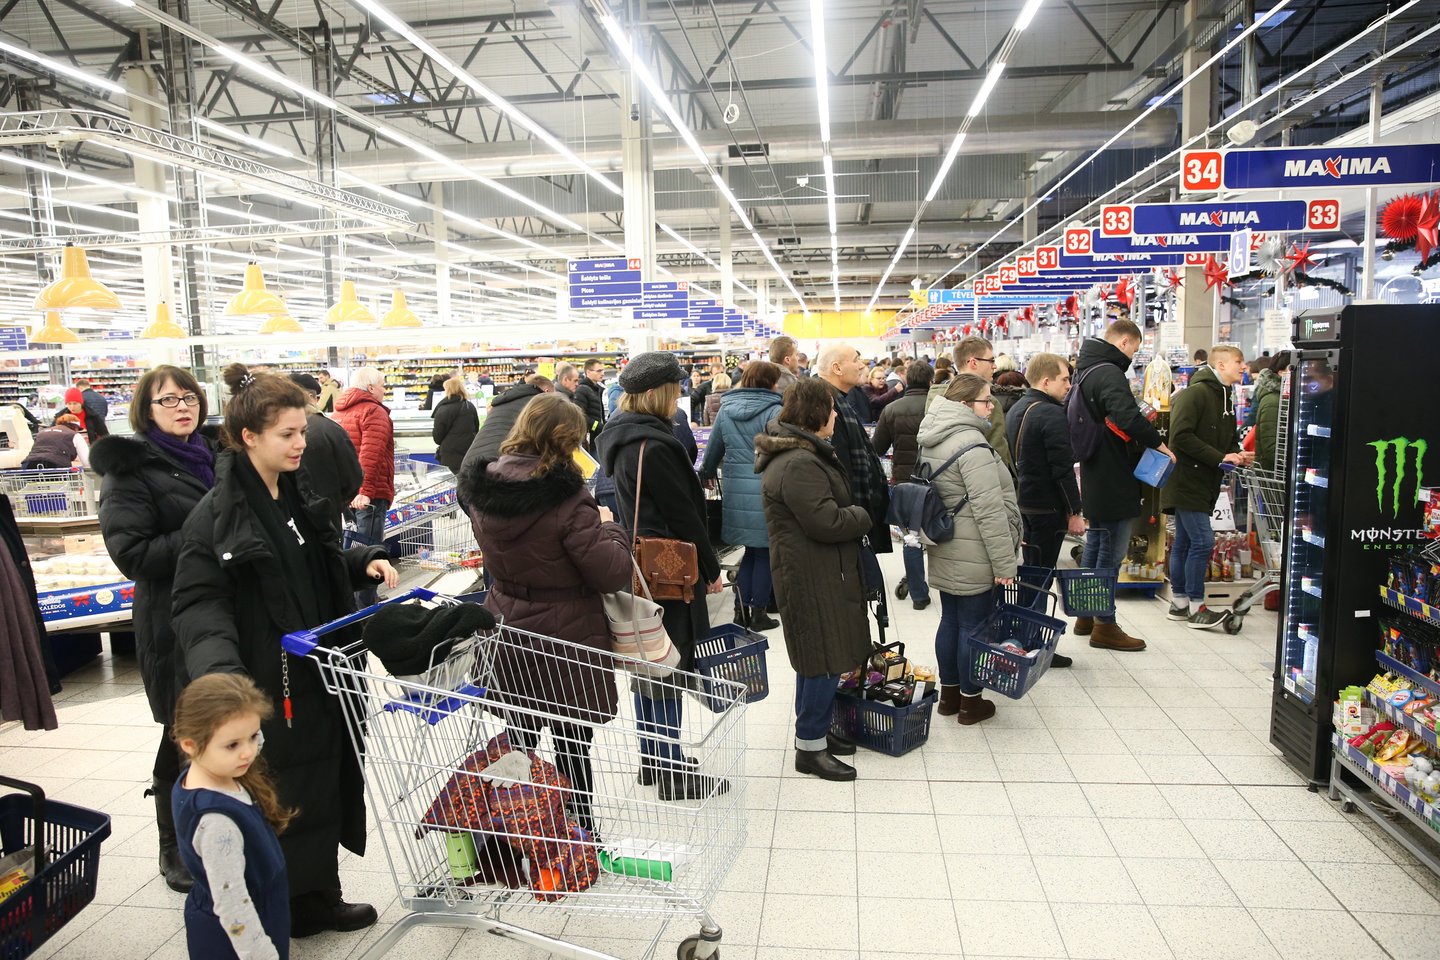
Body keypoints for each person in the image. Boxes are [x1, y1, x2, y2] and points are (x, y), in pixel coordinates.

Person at [172, 364, 398, 939]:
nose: (302, 443)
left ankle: (319, 894)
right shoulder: (219, 518)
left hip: (316, 667)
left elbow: (315, 554)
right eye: (288, 435)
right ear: (249, 437)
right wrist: (223, 682)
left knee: (322, 779)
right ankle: (286, 902)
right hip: (265, 680)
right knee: (281, 788)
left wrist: (357, 559)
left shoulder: (291, 495)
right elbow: (200, 605)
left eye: (303, 431)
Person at [460, 394, 631, 834]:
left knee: (519, 736)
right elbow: (610, 572)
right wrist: (611, 526)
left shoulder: (484, 489)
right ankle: (577, 831)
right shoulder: (569, 501)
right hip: (566, 633)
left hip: (506, 625)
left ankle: (519, 825)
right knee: (573, 739)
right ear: (564, 441)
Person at [91, 364, 217, 894]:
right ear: (146, 410)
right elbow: (133, 555)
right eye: (168, 400)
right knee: (183, 734)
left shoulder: (218, 455)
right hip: (170, 622)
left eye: (189, 396)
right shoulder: (131, 471)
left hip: (225, 613)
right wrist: (204, 531)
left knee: (225, 727)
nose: (182, 406)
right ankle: (174, 846)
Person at [596, 352, 726, 802]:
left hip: (638, 566)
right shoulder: (655, 445)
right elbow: (685, 516)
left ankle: (653, 760)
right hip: (668, 569)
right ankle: (672, 771)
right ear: (653, 394)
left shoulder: (618, 437)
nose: (679, 401)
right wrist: (711, 568)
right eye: (674, 392)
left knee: (648, 663)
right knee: (669, 664)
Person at [755, 379, 871, 781]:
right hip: (811, 572)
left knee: (819, 657)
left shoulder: (802, 453)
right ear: (815, 414)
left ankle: (815, 733)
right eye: (832, 409)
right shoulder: (799, 462)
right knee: (821, 659)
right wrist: (861, 514)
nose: (837, 415)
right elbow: (825, 521)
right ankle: (810, 748)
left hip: (817, 568)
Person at [917, 373, 1021, 725]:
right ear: (965, 405)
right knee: (974, 627)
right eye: (985, 401)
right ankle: (970, 702)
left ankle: (948, 697)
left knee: (950, 619)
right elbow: (989, 512)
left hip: (945, 541)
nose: (991, 407)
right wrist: (1005, 564)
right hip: (976, 548)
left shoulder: (932, 436)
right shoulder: (972, 445)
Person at [172, 673, 292, 960]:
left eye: (252, 736)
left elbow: (243, 738)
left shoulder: (208, 770)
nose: (248, 752)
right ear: (190, 744)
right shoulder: (216, 823)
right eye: (233, 745)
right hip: (235, 937)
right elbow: (233, 907)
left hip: (254, 910)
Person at [1074, 319, 1174, 651]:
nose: (1134, 355)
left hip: (1095, 471)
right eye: (1135, 348)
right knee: (1111, 552)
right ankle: (1105, 624)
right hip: (1113, 473)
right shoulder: (1109, 372)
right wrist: (1157, 444)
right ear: (1126, 342)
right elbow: (1127, 417)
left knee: (1095, 543)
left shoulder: (1086, 370)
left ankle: (1085, 614)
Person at [1164, 345, 1252, 629]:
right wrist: (1219, 457)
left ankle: (1179, 604)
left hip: (1204, 481)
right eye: (1239, 362)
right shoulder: (1197, 393)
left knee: (1185, 543)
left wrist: (1236, 453)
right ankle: (1195, 607)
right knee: (1202, 542)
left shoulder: (1225, 395)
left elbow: (1222, 437)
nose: (1243, 367)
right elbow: (1180, 437)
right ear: (1222, 364)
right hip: (1187, 480)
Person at [1005, 354, 1082, 667]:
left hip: (1022, 503)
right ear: (1046, 381)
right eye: (1064, 379)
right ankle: (1034, 644)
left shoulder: (1016, 409)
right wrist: (1075, 510)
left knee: (1029, 576)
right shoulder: (1051, 413)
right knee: (1041, 578)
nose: (1069, 385)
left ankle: (1022, 637)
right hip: (1046, 507)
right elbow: (1062, 469)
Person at [699, 361, 784, 630]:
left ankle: (740, 609)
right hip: (766, 490)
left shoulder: (725, 410)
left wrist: (708, 472)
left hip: (737, 492)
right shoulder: (775, 411)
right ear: (770, 383)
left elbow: (713, 450)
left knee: (749, 551)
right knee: (765, 553)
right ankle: (757, 612)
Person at [816, 343, 892, 557]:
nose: (861, 365)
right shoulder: (824, 402)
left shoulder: (839, 398)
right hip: (845, 516)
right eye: (856, 360)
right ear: (837, 368)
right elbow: (837, 462)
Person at [871, 361, 935, 609]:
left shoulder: (892, 409)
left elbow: (877, 448)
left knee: (911, 537)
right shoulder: (939, 409)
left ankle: (919, 594)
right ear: (931, 382)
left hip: (905, 481)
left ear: (907, 381)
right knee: (941, 531)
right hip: (936, 479)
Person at [333, 366, 395, 604]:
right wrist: (366, 491)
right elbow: (372, 455)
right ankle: (366, 610)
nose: (384, 390)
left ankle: (356, 601)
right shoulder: (374, 412)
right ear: (371, 388)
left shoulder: (341, 412)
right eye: (382, 385)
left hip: (347, 494)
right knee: (370, 551)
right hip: (368, 495)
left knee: (353, 547)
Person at [288, 374, 363, 532]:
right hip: (328, 520)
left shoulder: (271, 431)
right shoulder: (330, 429)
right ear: (311, 396)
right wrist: (335, 503)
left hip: (290, 524)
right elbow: (353, 478)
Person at [930, 337, 1014, 471]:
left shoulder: (935, 399)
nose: (995, 366)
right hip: (982, 483)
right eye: (991, 360)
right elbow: (998, 456)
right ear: (974, 363)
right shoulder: (988, 403)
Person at [459, 375, 554, 481]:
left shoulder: (502, 401)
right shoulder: (538, 406)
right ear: (546, 392)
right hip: (498, 467)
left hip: (469, 465)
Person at [431, 377, 479, 475]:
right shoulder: (470, 406)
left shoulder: (443, 409)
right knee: (466, 481)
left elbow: (437, 437)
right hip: (468, 450)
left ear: (448, 390)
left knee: (451, 483)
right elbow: (476, 428)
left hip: (450, 453)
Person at [1252, 352, 1288, 472]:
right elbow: (1271, 446)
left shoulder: (1285, 398)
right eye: (1292, 369)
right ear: (1281, 372)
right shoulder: (1273, 401)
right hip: (1272, 475)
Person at [21, 415, 89, 469]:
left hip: (29, 464)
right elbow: (86, 461)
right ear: (75, 427)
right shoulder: (74, 435)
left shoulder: (41, 433)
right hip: (56, 465)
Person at [574, 359, 608, 448]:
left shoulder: (597, 389)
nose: (603, 373)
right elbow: (580, 415)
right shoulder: (582, 390)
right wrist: (598, 427)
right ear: (588, 372)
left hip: (598, 437)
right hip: (590, 439)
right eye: (599, 371)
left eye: (603, 370)